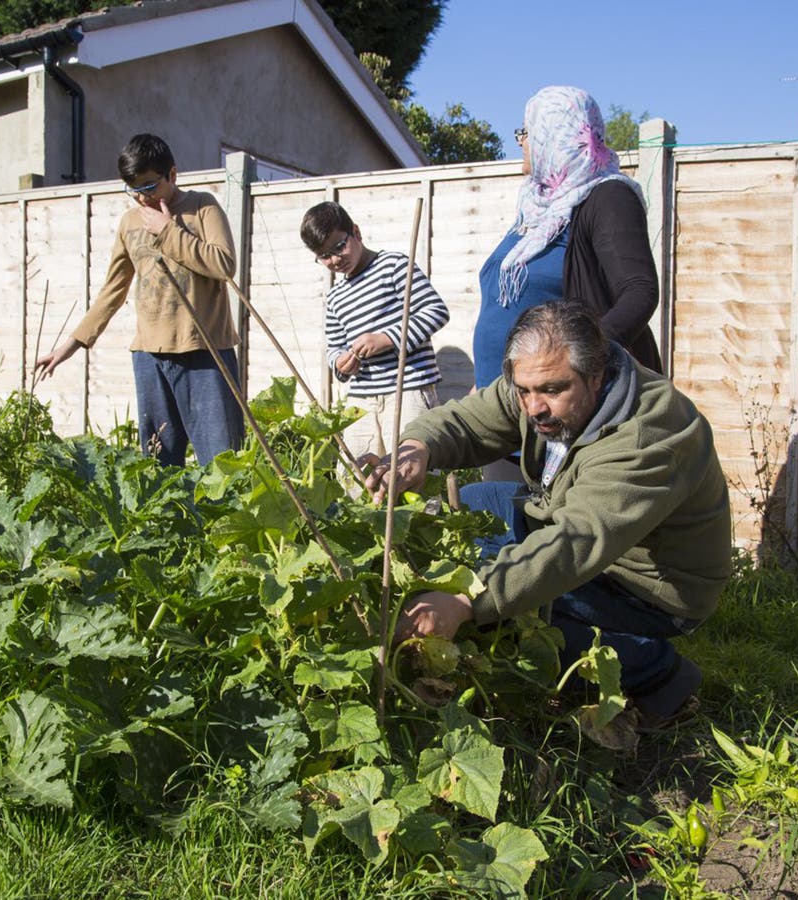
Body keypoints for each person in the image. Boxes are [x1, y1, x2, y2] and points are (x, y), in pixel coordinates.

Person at [365, 302, 732, 726]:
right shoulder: (539, 381)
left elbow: (572, 545)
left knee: (517, 613)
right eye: (523, 391)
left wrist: (465, 601)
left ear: (596, 376)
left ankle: (656, 671)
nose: (533, 407)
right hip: (574, 529)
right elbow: (467, 421)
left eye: (552, 391)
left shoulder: (647, 436)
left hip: (646, 589)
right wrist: (418, 448)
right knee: (474, 503)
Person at [475, 86, 661, 480]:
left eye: (526, 132)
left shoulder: (607, 196)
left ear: (554, 133)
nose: (521, 142)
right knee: (500, 514)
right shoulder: (538, 210)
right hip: (508, 412)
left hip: (563, 414)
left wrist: (579, 362)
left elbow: (639, 291)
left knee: (557, 517)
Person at [34, 133, 243, 466]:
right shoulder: (130, 222)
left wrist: (168, 231)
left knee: (224, 460)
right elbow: (112, 290)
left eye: (149, 187)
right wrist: (69, 346)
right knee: (158, 464)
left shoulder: (203, 207)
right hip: (149, 356)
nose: (142, 198)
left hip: (205, 352)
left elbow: (224, 265)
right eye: (133, 189)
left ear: (172, 175)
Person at [300, 201, 450, 460]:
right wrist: (341, 362)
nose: (334, 260)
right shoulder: (335, 297)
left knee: (409, 468)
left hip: (408, 390)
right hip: (362, 400)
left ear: (356, 232)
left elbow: (435, 311)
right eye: (324, 256)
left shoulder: (393, 266)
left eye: (339, 247)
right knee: (357, 472)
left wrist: (387, 338)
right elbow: (334, 347)